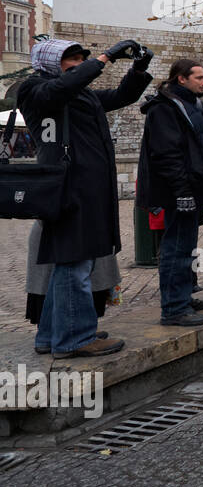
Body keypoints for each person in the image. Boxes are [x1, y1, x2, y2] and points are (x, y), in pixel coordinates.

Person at [16, 37, 152, 358]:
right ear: (50, 63)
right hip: (68, 189)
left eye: (81, 58)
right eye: (70, 59)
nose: (77, 64)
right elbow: (59, 90)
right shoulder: (35, 89)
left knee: (74, 260)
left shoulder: (79, 94)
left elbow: (121, 96)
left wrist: (139, 67)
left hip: (87, 187)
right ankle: (76, 338)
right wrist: (104, 57)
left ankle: (51, 335)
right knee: (75, 263)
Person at [137, 59, 203, 327]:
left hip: (192, 188)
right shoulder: (164, 108)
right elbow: (167, 154)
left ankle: (183, 296)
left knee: (187, 248)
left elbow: (201, 150)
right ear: (181, 79)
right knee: (176, 249)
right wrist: (182, 191)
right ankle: (173, 307)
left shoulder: (192, 103)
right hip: (176, 191)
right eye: (199, 78)